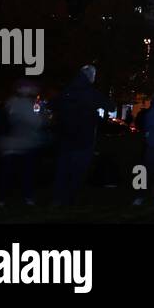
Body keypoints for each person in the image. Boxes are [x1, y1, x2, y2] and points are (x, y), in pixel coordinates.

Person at [51, 65, 107, 207]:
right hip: (84, 138)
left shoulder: (68, 91)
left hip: (65, 137)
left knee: (62, 170)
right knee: (78, 170)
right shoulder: (91, 92)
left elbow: (53, 104)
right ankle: (70, 199)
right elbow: (110, 106)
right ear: (91, 77)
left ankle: (58, 198)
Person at [0, 81, 45, 207]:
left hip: (12, 144)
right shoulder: (24, 104)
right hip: (23, 143)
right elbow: (36, 122)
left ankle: (3, 198)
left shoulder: (11, 103)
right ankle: (26, 197)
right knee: (25, 172)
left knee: (10, 173)